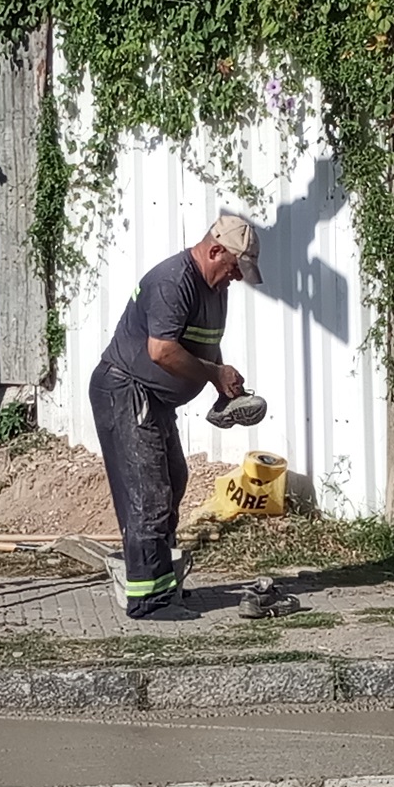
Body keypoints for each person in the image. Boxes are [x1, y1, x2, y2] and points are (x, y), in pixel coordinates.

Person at [90, 213, 264, 620]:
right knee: (149, 492)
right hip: (125, 390)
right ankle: (147, 601)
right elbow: (162, 352)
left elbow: (204, 346)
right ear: (215, 250)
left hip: (151, 397)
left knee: (173, 480)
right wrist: (213, 374)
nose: (235, 278)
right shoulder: (175, 281)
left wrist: (224, 387)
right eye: (234, 268)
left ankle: (164, 586)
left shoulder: (213, 287)